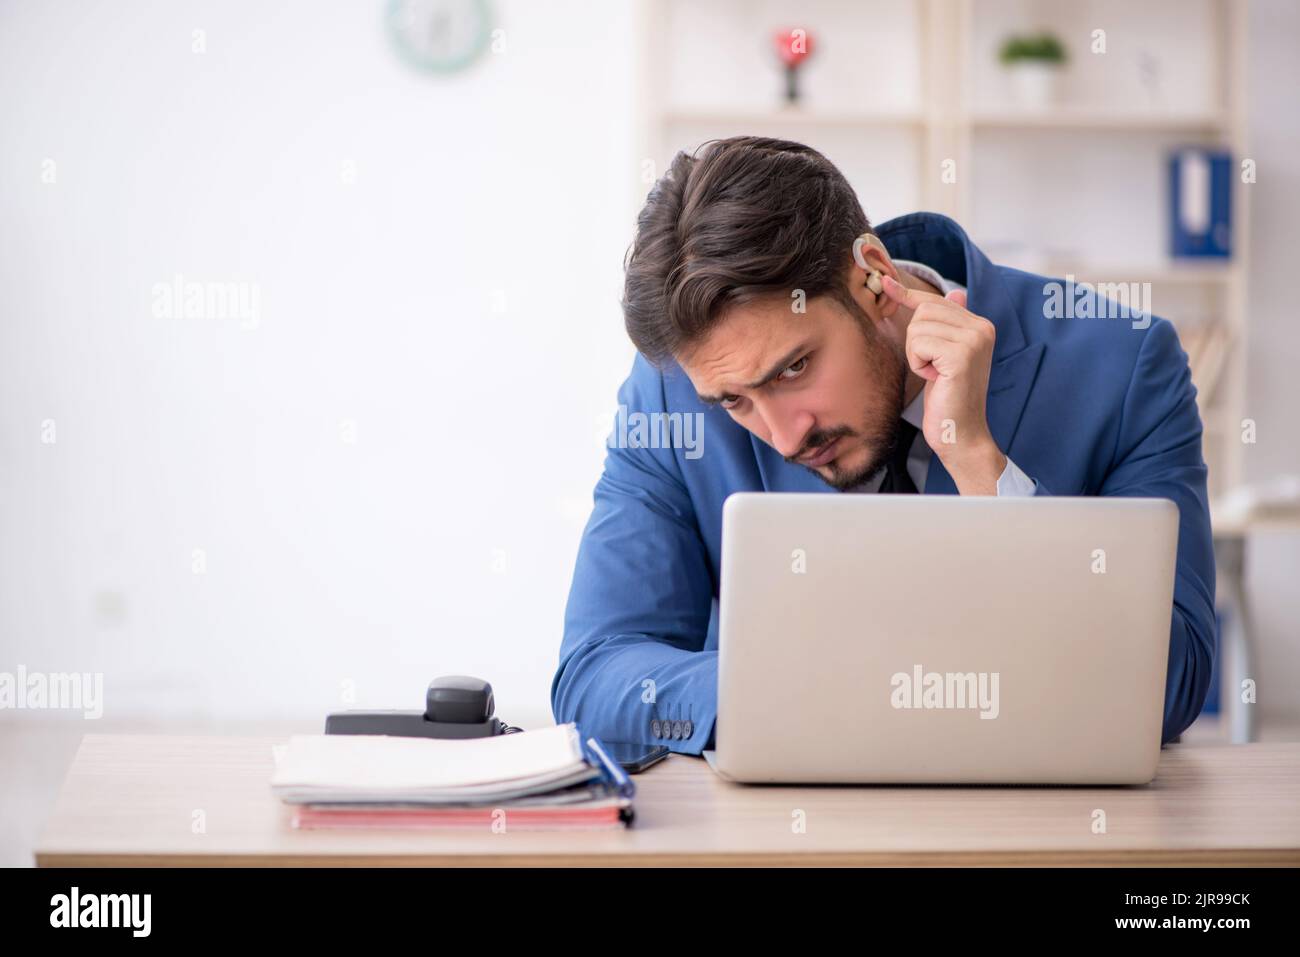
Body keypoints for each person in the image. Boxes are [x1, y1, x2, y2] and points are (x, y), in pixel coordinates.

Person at [551, 136, 1215, 754]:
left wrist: (981, 465)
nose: (786, 436)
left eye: (793, 368)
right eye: (735, 401)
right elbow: (596, 675)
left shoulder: (1125, 366)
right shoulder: (674, 396)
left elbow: (1170, 686)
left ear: (871, 277)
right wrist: (815, 692)